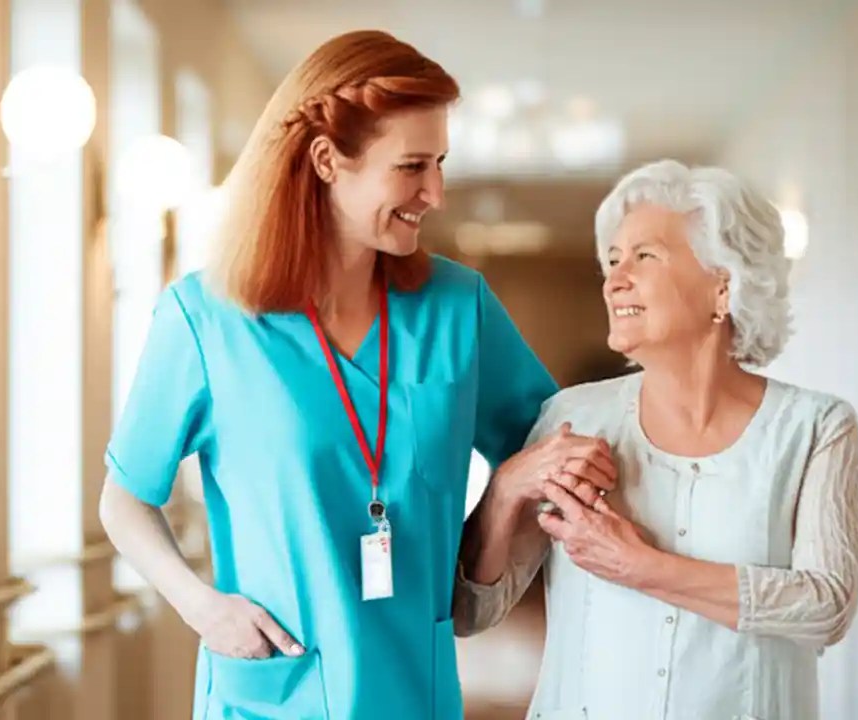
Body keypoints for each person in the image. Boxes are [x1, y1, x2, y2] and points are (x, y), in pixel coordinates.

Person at [97, 30, 613, 719]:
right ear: (326, 161)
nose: (436, 192)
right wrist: (202, 607)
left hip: (412, 689)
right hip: (270, 692)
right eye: (412, 166)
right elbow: (125, 499)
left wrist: (508, 491)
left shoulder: (459, 310)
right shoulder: (206, 319)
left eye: (441, 164)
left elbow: (555, 449)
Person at [454, 160, 858, 720]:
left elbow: (826, 607)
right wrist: (504, 490)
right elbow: (474, 613)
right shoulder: (570, 417)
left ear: (724, 284)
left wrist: (639, 565)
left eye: (645, 256)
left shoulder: (816, 428)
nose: (615, 278)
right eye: (613, 260)